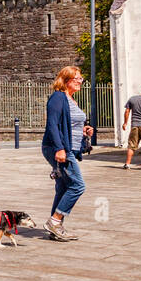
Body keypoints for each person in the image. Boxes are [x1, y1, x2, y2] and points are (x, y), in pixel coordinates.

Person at [42, 65, 94, 241]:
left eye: (81, 79)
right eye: (77, 78)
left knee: (63, 187)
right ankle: (55, 221)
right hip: (59, 148)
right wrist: (59, 148)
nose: (81, 81)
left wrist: (84, 128)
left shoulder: (70, 99)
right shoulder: (58, 98)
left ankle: (56, 229)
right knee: (77, 186)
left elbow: (69, 123)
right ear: (66, 80)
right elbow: (52, 125)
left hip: (68, 146)